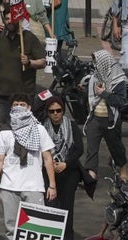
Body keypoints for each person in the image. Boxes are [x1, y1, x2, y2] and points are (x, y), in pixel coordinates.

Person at [0, 99, 56, 240]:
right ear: (11, 108)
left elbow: (48, 158)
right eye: (15, 105)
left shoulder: (39, 129)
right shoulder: (5, 132)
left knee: (35, 228)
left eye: (22, 105)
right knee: (11, 228)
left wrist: (52, 185)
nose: (19, 107)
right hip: (9, 186)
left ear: (29, 108)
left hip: (33, 186)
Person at [84, 51, 128, 184]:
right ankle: (91, 173)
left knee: (116, 147)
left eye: (96, 62)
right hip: (95, 118)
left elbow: (120, 101)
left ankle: (123, 169)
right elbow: (90, 98)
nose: (95, 65)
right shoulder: (94, 78)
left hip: (110, 120)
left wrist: (104, 94)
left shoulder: (118, 80)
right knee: (91, 147)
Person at [41, 95, 82, 240]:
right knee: (50, 207)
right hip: (49, 173)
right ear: (47, 112)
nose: (55, 114)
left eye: (58, 110)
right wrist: (50, 163)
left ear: (63, 110)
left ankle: (67, 237)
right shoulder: (42, 127)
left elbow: (79, 149)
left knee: (67, 208)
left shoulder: (71, 125)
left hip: (69, 173)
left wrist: (65, 163)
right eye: (52, 111)